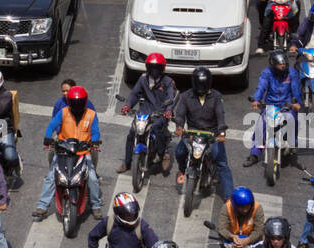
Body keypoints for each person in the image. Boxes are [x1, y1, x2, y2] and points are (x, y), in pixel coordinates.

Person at [33, 84, 102, 221]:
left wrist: (94, 142)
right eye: (74, 102)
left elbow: (95, 132)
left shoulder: (91, 114)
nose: (77, 105)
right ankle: (42, 206)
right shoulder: (63, 112)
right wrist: (47, 137)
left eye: (80, 102)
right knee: (51, 176)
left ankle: (95, 205)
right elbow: (52, 125)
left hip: (83, 152)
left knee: (93, 178)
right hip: (63, 151)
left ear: (84, 101)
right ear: (70, 102)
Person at [172, 67, 233, 199]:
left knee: (221, 163)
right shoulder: (185, 96)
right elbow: (180, 114)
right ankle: (183, 170)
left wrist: (221, 132)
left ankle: (229, 199)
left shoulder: (216, 96)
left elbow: (220, 115)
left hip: (211, 134)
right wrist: (179, 127)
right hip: (191, 133)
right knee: (180, 152)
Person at [119, 52, 176, 174]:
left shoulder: (168, 82)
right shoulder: (142, 79)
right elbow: (134, 94)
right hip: (144, 111)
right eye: (152, 67)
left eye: (157, 67)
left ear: (162, 68)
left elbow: (170, 98)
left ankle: (162, 154)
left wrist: (168, 111)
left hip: (160, 113)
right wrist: (127, 106)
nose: (154, 70)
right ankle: (127, 162)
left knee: (157, 129)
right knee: (132, 132)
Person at [246, 51, 301, 169]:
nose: (283, 66)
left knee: (292, 118)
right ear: (273, 64)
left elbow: (296, 89)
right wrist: (256, 99)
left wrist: (297, 103)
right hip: (271, 104)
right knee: (262, 123)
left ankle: (292, 144)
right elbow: (261, 87)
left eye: (285, 64)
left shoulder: (292, 72)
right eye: (280, 65)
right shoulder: (267, 73)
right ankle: (255, 154)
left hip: (287, 104)